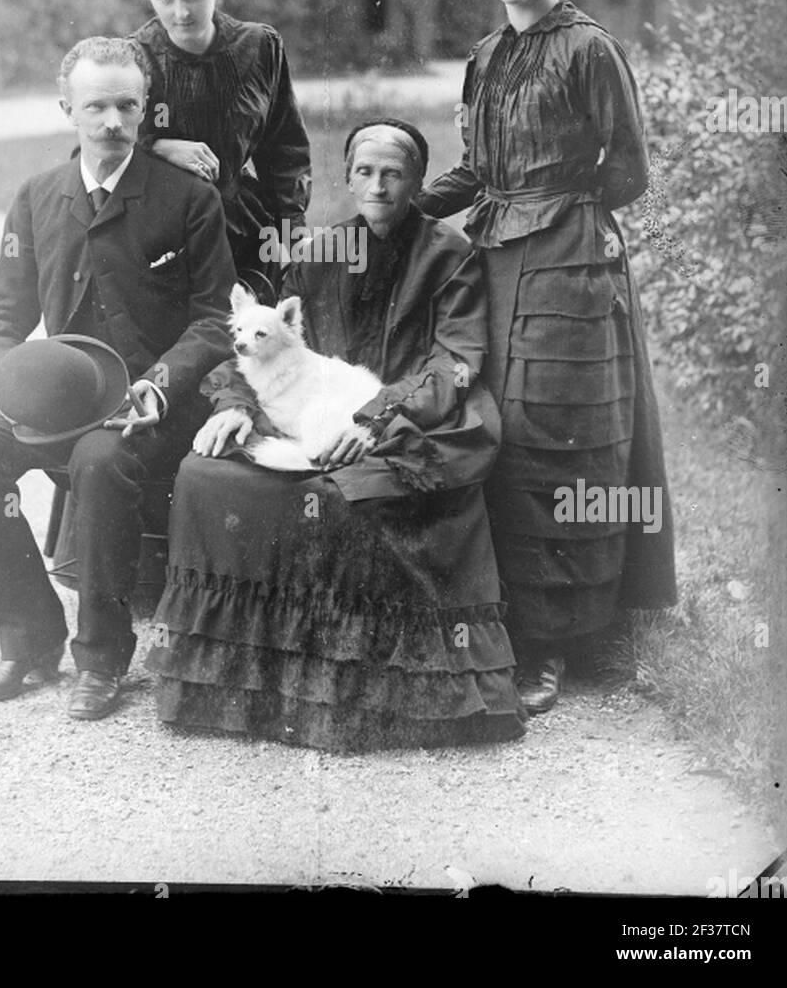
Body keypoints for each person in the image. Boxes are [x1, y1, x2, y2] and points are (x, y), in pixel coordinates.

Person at [146, 120, 527, 751]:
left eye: (394, 174)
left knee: (340, 495)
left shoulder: (449, 254)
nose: (378, 186)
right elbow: (269, 341)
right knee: (204, 474)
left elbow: (453, 362)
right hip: (314, 406)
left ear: (417, 181)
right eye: (364, 172)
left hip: (414, 417)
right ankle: (242, 684)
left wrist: (376, 418)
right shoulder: (322, 251)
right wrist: (237, 404)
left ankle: (356, 693)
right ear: (347, 178)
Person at [415, 0, 677, 715]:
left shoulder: (588, 48)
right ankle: (511, 618)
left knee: (562, 440)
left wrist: (562, 213)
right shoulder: (485, 56)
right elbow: (477, 169)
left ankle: (560, 639)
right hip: (496, 265)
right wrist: (403, 211)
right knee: (503, 431)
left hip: (570, 268)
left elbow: (628, 169)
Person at [0, 37, 237, 721]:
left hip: (150, 408)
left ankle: (101, 657)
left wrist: (159, 385)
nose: (112, 123)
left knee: (100, 462)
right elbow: (2, 312)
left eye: (127, 106)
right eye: (95, 106)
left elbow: (215, 318)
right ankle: (28, 637)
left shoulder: (186, 199)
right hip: (59, 398)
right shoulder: (38, 196)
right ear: (66, 108)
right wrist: (0, 381)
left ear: (145, 108)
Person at [130, 0, 312, 278]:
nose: (181, 12)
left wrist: (294, 236)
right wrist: (157, 147)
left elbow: (284, 150)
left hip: (242, 234)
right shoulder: (133, 58)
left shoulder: (258, 46)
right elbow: (98, 150)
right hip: (160, 237)